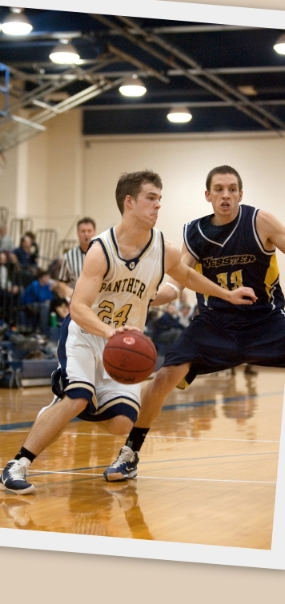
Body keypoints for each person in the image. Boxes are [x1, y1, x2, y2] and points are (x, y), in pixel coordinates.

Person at [0, 171, 256, 494]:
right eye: (151, 198)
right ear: (129, 202)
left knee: (121, 423)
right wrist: (109, 332)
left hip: (123, 344)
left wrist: (227, 294)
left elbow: (187, 277)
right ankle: (17, 464)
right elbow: (78, 307)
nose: (158, 205)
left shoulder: (163, 247)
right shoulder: (101, 250)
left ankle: (76, 401)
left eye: (160, 199)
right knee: (76, 397)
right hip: (87, 335)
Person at [104, 165, 285, 481]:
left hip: (265, 321)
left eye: (231, 189)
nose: (225, 195)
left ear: (240, 194)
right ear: (208, 195)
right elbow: (177, 285)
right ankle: (130, 452)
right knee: (163, 377)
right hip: (214, 324)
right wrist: (144, 295)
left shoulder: (260, 221)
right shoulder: (195, 233)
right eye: (218, 189)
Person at [55, 217, 95, 299]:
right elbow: (62, 282)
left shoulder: (104, 253)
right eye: (83, 231)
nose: (86, 234)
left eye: (89, 231)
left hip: (99, 301)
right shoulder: (69, 256)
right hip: (77, 300)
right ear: (78, 233)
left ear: (94, 232)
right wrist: (68, 291)